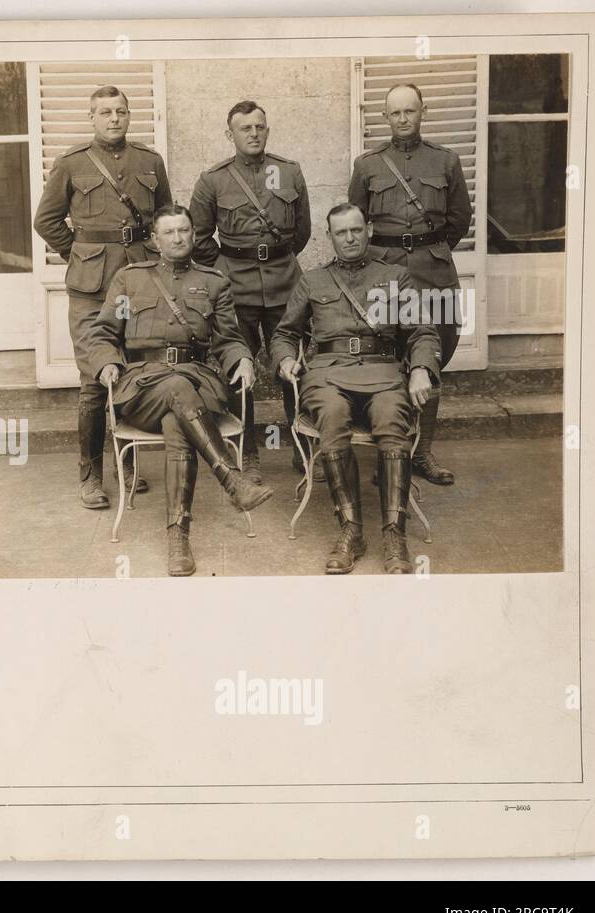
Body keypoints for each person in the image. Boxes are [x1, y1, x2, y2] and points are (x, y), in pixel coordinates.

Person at [80, 204, 273, 577]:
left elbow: (229, 340)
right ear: (154, 240)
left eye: (184, 231)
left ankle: (178, 539)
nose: (178, 238)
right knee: (174, 387)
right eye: (169, 232)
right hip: (140, 384)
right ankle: (231, 478)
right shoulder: (129, 280)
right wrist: (105, 361)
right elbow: (103, 334)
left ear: (195, 235)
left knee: (176, 419)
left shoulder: (215, 282)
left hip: (196, 380)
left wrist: (242, 360)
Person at [270, 203, 441, 575]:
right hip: (328, 374)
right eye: (340, 232)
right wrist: (285, 360)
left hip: (383, 372)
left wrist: (422, 369)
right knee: (331, 416)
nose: (349, 238)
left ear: (368, 230)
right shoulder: (313, 281)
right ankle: (351, 530)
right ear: (329, 237)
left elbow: (422, 331)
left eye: (355, 230)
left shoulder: (397, 276)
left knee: (391, 420)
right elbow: (285, 333)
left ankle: (395, 534)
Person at [33, 84, 173, 510]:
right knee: (96, 381)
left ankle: (125, 464)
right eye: (105, 112)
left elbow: (165, 217)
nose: (114, 119)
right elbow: (47, 219)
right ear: (92, 118)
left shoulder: (150, 161)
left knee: (132, 373)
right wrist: (81, 254)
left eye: (121, 111)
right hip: (92, 291)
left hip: (138, 283)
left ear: (129, 116)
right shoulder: (72, 163)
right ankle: (90, 473)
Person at [349, 82, 472, 486]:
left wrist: (426, 250)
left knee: (432, 358)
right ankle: (390, 451)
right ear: (385, 118)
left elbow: (458, 221)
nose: (403, 119)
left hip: (433, 273)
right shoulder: (368, 165)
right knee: (386, 358)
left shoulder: (446, 161)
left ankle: (422, 454)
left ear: (423, 112)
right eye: (395, 113)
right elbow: (356, 221)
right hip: (384, 275)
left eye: (410, 111)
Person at [189, 99, 312, 482]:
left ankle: (302, 446)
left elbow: (303, 231)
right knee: (239, 370)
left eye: (259, 127)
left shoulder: (289, 172)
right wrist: (227, 265)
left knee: (293, 365)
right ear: (231, 135)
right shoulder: (213, 179)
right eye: (245, 129)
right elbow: (197, 235)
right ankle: (249, 452)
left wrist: (275, 257)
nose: (254, 134)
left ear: (267, 130)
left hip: (285, 285)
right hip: (236, 288)